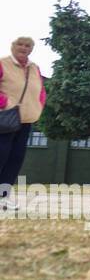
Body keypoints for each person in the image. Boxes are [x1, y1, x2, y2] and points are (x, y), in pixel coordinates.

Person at [0, 36, 47, 209]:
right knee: (1, 155)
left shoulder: (34, 68)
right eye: (20, 44)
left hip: (26, 120)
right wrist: (5, 103)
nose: (23, 47)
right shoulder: (3, 63)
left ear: (31, 49)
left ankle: (3, 197)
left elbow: (41, 90)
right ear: (12, 46)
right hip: (5, 118)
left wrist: (39, 107)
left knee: (16, 158)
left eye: (27, 45)